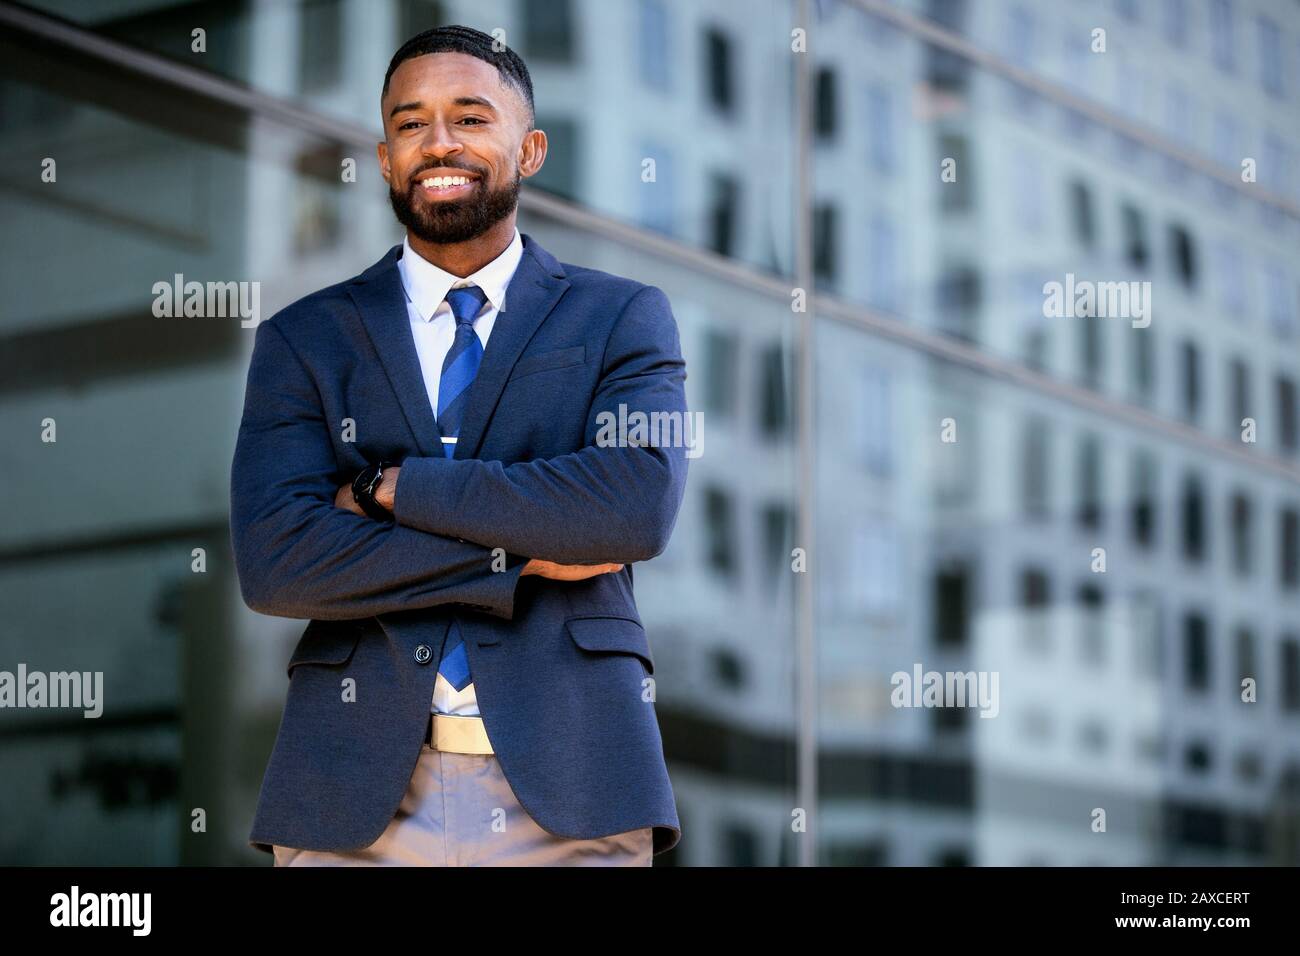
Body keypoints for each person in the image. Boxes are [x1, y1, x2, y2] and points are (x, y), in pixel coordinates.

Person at [229, 24, 688, 866]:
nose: (438, 142)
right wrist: (519, 558)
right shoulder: (306, 338)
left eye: (470, 118)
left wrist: (390, 491)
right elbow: (277, 559)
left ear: (531, 147)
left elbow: (632, 508)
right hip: (353, 793)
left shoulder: (622, 315)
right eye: (411, 124)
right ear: (383, 157)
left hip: (573, 787)